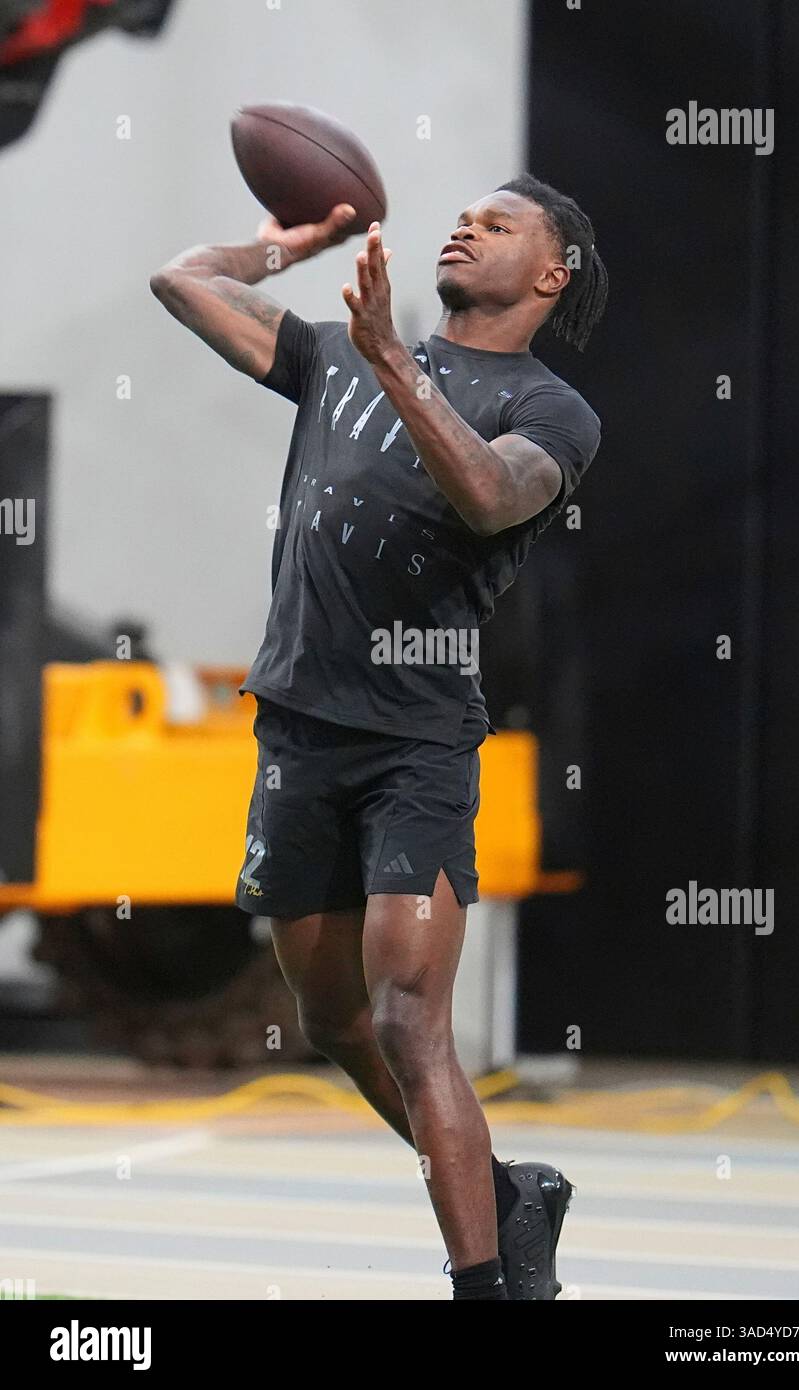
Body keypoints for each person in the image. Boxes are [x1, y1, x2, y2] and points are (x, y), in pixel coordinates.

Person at [150, 173, 607, 1300]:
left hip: (415, 741)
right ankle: (503, 1195)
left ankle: (484, 1281)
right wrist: (284, 245)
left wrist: (394, 361)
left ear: (552, 275)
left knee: (410, 1019)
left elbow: (495, 496)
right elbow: (182, 280)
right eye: (464, 214)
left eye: (500, 224)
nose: (465, 225)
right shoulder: (337, 355)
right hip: (300, 725)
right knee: (332, 1016)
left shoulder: (549, 410)